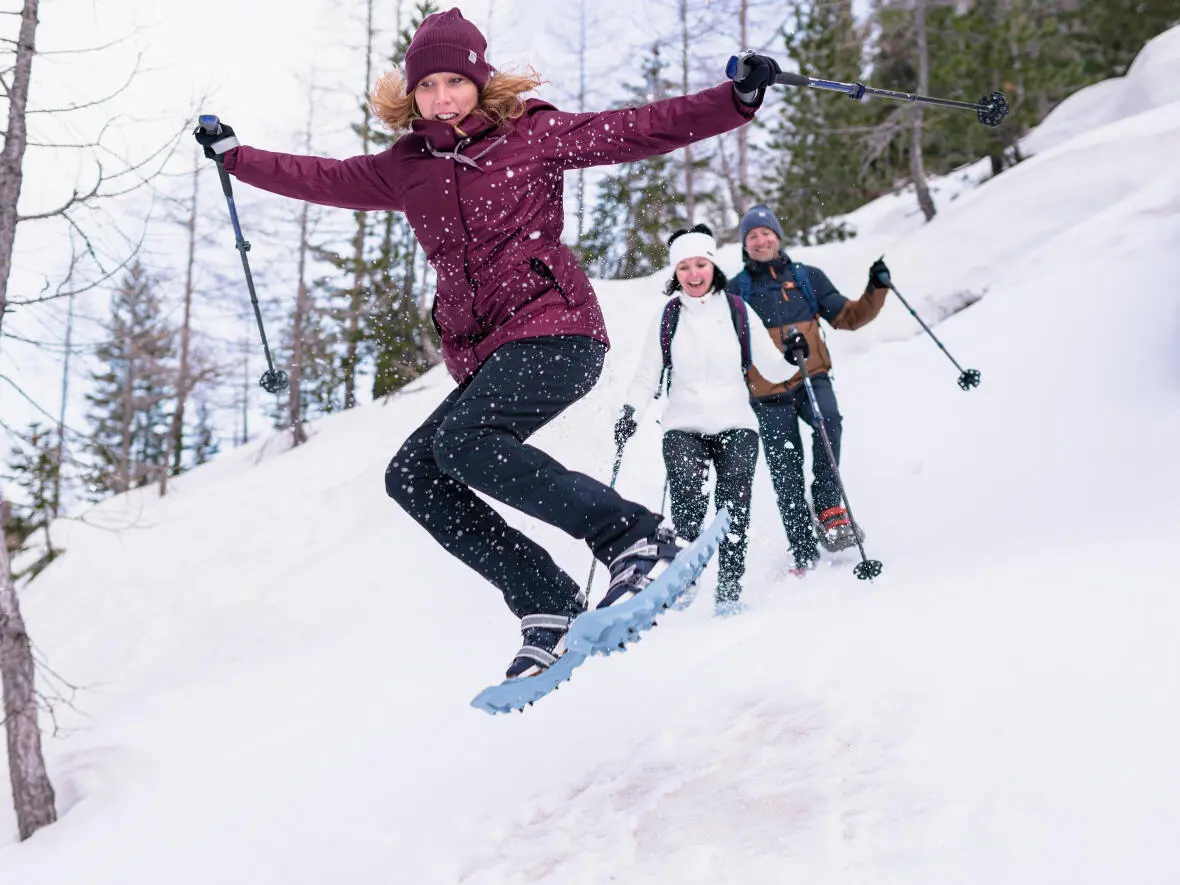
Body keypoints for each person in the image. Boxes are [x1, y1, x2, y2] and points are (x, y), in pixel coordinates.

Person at [193, 9, 780, 679]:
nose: (442, 97)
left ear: (479, 81)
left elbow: (637, 128)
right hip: (489, 353)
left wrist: (734, 100)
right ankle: (547, 601)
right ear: (411, 94)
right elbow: (323, 178)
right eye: (428, 86)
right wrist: (237, 158)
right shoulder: (405, 167)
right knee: (413, 476)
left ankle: (637, 539)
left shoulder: (532, 134)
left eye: (454, 81)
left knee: (464, 444)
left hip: (557, 329)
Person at [614, 225, 799, 615]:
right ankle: (685, 580)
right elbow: (648, 374)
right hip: (683, 426)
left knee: (733, 510)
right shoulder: (668, 316)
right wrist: (631, 412)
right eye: (684, 267)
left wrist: (793, 355)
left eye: (700, 264)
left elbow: (771, 367)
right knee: (687, 508)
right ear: (674, 272)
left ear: (713, 266)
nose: (693, 274)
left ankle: (729, 590)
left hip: (737, 424)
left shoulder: (736, 310)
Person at [726, 204, 890, 574]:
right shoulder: (737, 290)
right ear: (744, 245)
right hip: (766, 393)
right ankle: (802, 547)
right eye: (752, 235)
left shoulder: (806, 278)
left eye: (766, 232)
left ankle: (830, 507)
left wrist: (876, 287)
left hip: (810, 377)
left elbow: (848, 317)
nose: (760, 239)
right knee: (785, 467)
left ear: (778, 237)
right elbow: (725, 342)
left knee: (829, 421)